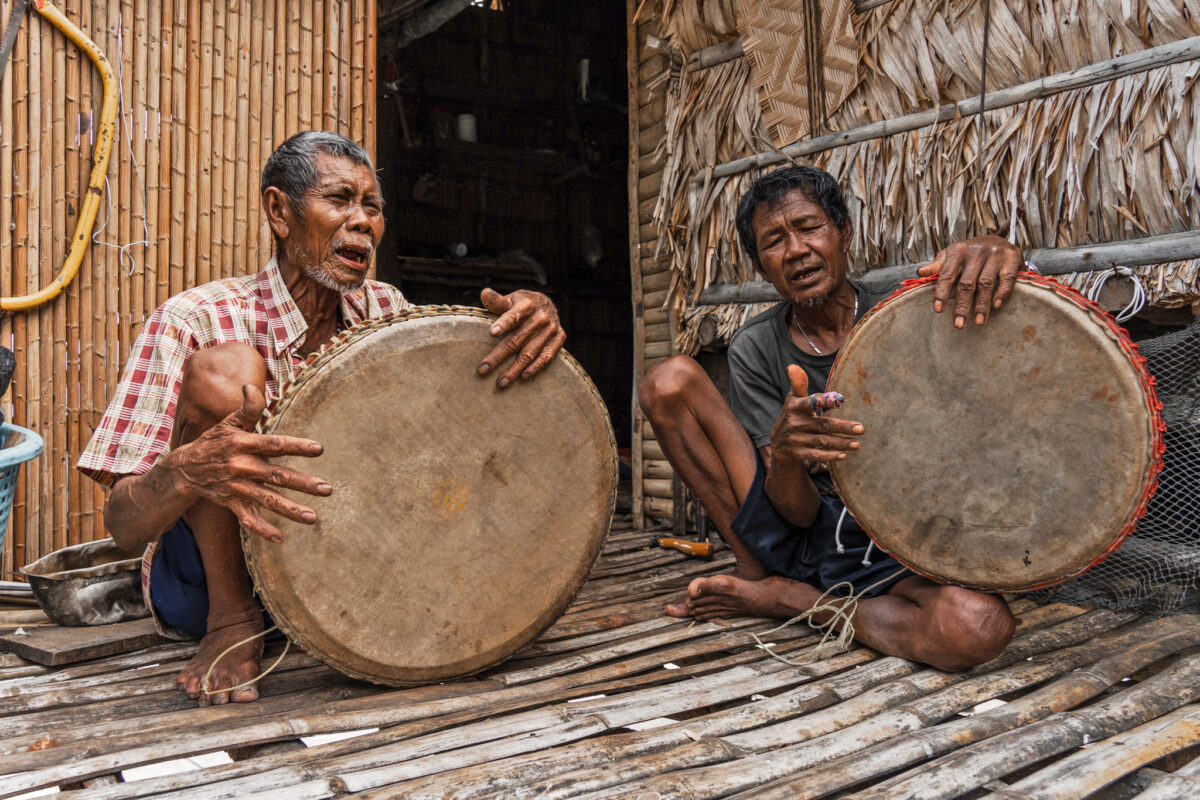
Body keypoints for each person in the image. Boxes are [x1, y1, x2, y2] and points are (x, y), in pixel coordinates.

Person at [77, 131, 566, 705]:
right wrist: (189, 470)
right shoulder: (196, 317)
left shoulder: (387, 314)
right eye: (339, 200)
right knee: (227, 370)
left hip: (352, 570)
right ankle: (235, 622)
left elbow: (461, 430)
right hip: (203, 585)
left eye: (373, 207)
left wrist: (529, 317)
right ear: (280, 212)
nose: (363, 222)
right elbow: (123, 527)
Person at [639, 165, 1026, 671]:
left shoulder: (902, 313)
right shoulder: (756, 347)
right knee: (667, 380)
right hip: (802, 524)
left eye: (809, 226)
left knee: (977, 628)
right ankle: (754, 568)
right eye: (774, 240)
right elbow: (795, 512)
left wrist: (999, 250)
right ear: (761, 267)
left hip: (893, 535)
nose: (796, 250)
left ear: (843, 232)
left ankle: (787, 600)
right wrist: (789, 455)